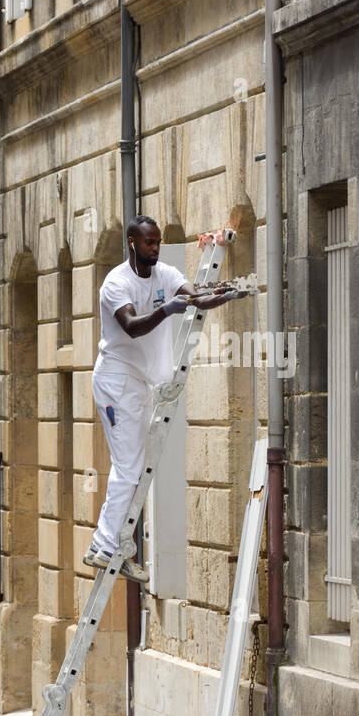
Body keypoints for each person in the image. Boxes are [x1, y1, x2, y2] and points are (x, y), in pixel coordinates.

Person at [86, 216, 239, 581]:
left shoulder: (165, 274)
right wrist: (166, 310)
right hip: (115, 381)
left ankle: (103, 545)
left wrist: (223, 294)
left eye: (157, 242)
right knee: (129, 466)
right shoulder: (116, 284)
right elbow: (132, 327)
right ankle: (105, 547)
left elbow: (193, 297)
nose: (155, 248)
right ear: (131, 243)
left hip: (138, 382)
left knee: (133, 466)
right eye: (148, 243)